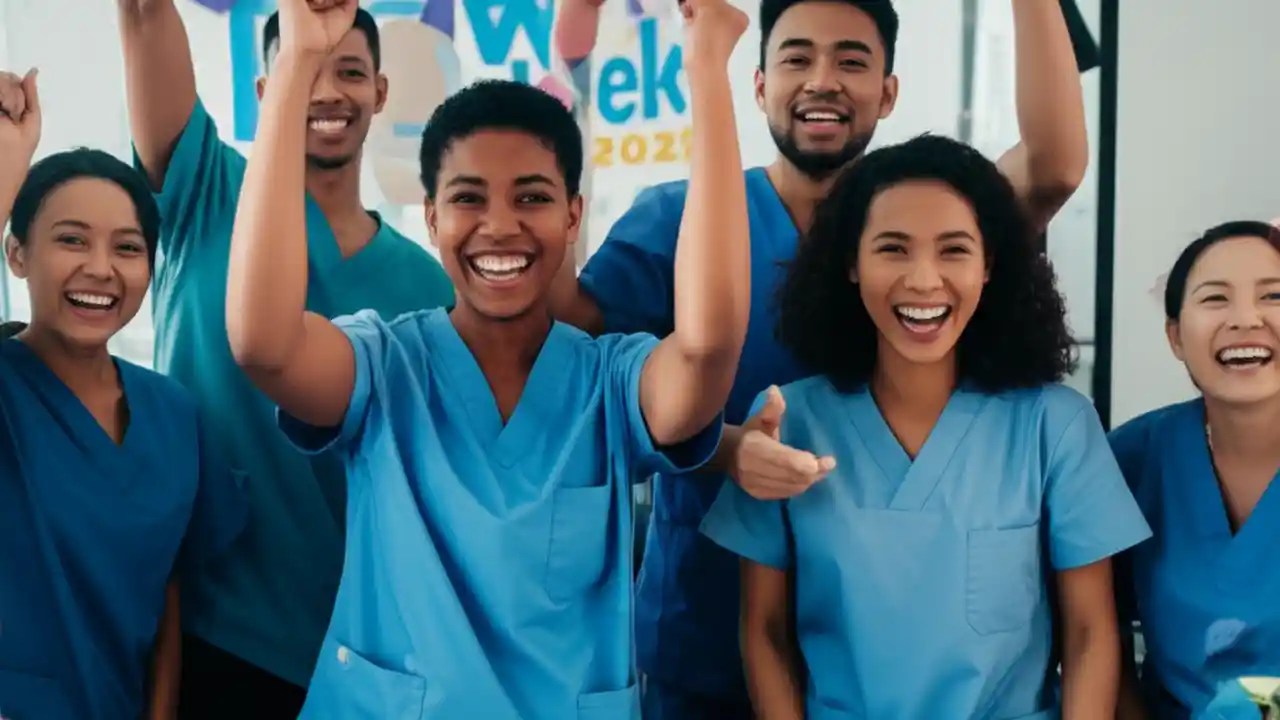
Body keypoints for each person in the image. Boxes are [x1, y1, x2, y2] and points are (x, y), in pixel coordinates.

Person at [548, 0, 1090, 714]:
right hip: (710, 637)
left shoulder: (926, 224)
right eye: (797, 58)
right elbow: (572, 360)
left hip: (893, 657)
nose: (823, 80)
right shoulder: (681, 219)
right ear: (760, 85)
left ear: (889, 92)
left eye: (852, 61)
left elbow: (1052, 168)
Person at [224, 0, 750, 717]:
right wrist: (292, 67)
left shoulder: (612, 382)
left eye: (531, 197)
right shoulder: (385, 367)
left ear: (572, 215)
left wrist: (707, 75)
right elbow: (264, 342)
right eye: (469, 198)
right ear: (432, 217)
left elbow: (709, 347)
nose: (500, 226)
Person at [700, 134, 1151, 718]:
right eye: (893, 248)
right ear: (851, 265)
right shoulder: (789, 420)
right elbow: (763, 630)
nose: (923, 279)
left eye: (953, 250)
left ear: (989, 265)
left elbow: (1090, 633)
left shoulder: (1055, 426)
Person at [115, 0, 455, 713]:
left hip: (358, 647)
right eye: (308, 68)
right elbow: (146, 17)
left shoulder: (425, 287)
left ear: (381, 94)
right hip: (204, 626)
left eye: (352, 72)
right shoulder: (206, 185)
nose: (329, 92)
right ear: (266, 92)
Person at [0, 69, 242, 720]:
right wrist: (8, 160)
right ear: (17, 253)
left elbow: (164, 595)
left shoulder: (173, 414)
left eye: (128, 248)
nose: (101, 268)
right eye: (71, 239)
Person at [1110, 222, 1280, 719]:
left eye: (1273, 296)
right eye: (1214, 299)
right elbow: (1095, 632)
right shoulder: (1133, 459)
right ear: (1175, 335)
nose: (1245, 319)